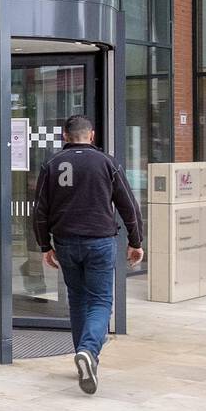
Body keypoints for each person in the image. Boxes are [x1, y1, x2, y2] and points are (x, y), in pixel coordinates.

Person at [33, 114, 145, 395]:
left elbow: (40, 210)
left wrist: (44, 245)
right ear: (91, 135)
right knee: (100, 301)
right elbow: (128, 205)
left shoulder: (52, 165)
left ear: (65, 137)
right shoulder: (107, 163)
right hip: (100, 242)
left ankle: (84, 359)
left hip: (66, 242)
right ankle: (88, 351)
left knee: (78, 300)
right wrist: (136, 240)